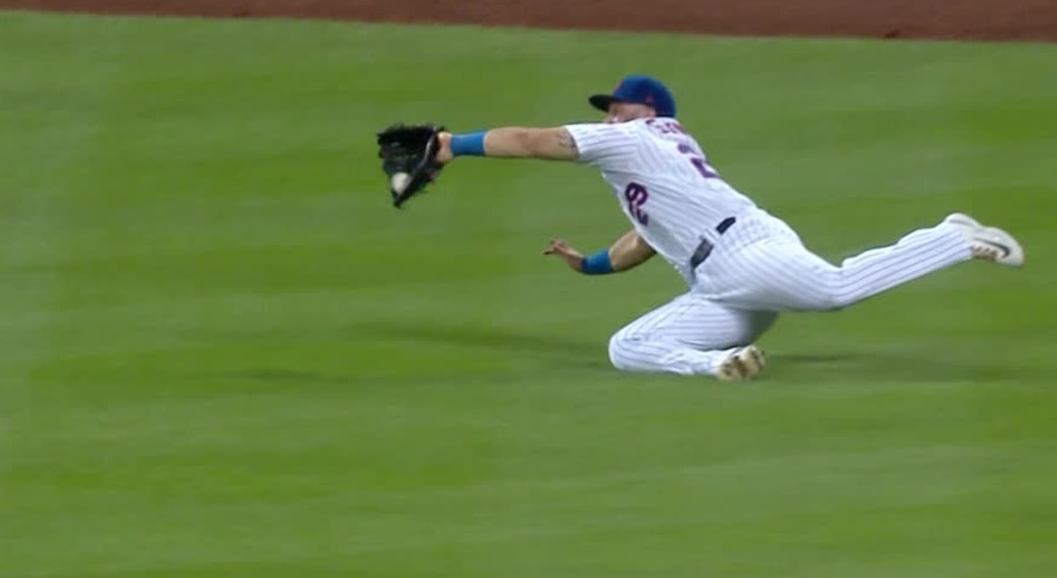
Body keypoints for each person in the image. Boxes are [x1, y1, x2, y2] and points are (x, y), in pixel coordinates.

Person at [434, 74, 1024, 380]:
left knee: (834, 290)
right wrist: (586, 263)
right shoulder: (645, 158)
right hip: (720, 283)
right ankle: (721, 364)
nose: (609, 116)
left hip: (747, 252)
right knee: (627, 348)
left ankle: (948, 237)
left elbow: (533, 143)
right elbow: (643, 242)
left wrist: (454, 145)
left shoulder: (639, 139)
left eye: (619, 107)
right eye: (607, 110)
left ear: (651, 113)